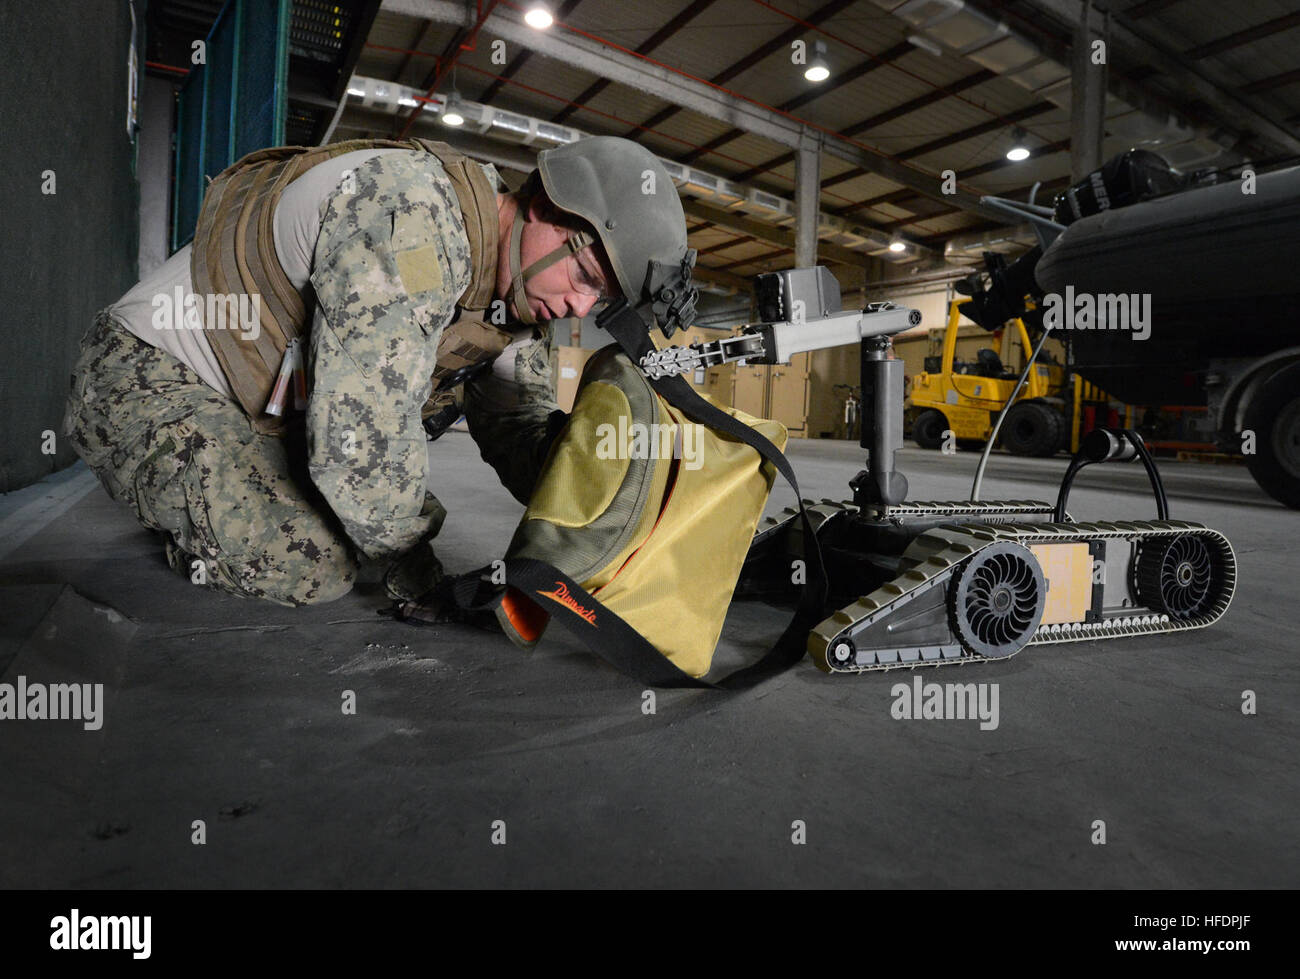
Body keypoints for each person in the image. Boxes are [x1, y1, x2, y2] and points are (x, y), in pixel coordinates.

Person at [62, 134, 696, 607]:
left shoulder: (516, 302)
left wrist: (612, 470)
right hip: (148, 375)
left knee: (358, 527)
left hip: (256, 405)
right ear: (544, 210)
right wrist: (413, 560)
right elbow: (356, 445)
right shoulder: (411, 214)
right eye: (584, 278)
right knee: (315, 566)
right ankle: (192, 516)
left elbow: (518, 433)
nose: (578, 308)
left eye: (600, 301)